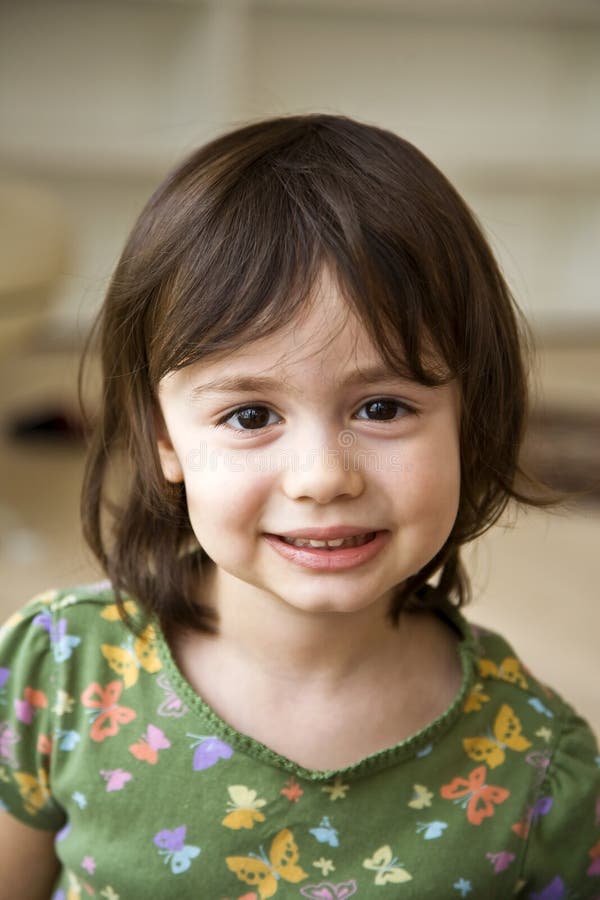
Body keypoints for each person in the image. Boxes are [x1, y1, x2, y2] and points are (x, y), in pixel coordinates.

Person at [0, 114, 597, 900]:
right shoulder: (57, 672)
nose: (322, 478)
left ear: (471, 417)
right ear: (164, 439)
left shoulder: (536, 767)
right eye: (251, 415)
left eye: (382, 407)